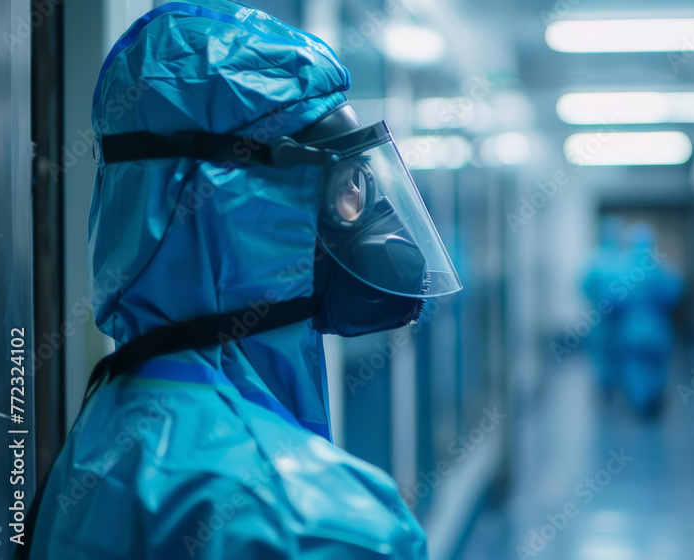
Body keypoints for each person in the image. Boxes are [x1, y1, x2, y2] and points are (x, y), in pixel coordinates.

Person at [24, 1, 461, 558]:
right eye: (347, 184)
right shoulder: (317, 526)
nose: (366, 213)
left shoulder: (102, 432)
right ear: (242, 207)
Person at [617, 223, 683, 417]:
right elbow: (676, 291)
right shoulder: (659, 269)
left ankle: (639, 403)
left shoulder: (623, 270)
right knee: (656, 366)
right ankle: (653, 401)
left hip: (631, 330)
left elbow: (610, 299)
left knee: (635, 367)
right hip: (657, 330)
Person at [581, 216, 625, 396]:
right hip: (602, 318)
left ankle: (611, 385)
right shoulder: (603, 259)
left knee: (614, 353)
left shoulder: (615, 259)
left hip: (615, 319)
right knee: (603, 353)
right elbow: (584, 286)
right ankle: (606, 386)